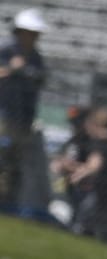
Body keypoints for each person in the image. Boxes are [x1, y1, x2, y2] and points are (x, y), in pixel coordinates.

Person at [0, 8, 49, 212]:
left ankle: (7, 204)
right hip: (4, 116)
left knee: (14, 165)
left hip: (23, 119)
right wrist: (12, 68)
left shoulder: (36, 57)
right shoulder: (5, 50)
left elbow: (40, 80)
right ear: (20, 32)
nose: (34, 38)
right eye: (31, 33)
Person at [64, 106, 107, 243]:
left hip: (105, 198)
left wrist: (77, 175)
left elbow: (95, 165)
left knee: (84, 228)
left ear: (93, 124)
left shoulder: (100, 143)